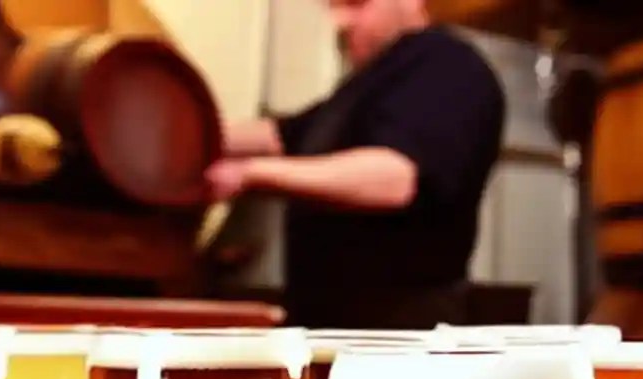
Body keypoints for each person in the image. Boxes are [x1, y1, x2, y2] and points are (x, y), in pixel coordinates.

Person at [207, 0, 506, 330]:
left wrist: (249, 174)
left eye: (356, 3)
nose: (338, 22)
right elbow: (278, 135)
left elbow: (394, 179)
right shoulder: (367, 86)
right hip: (332, 326)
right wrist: (185, 130)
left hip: (400, 339)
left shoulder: (448, 66)